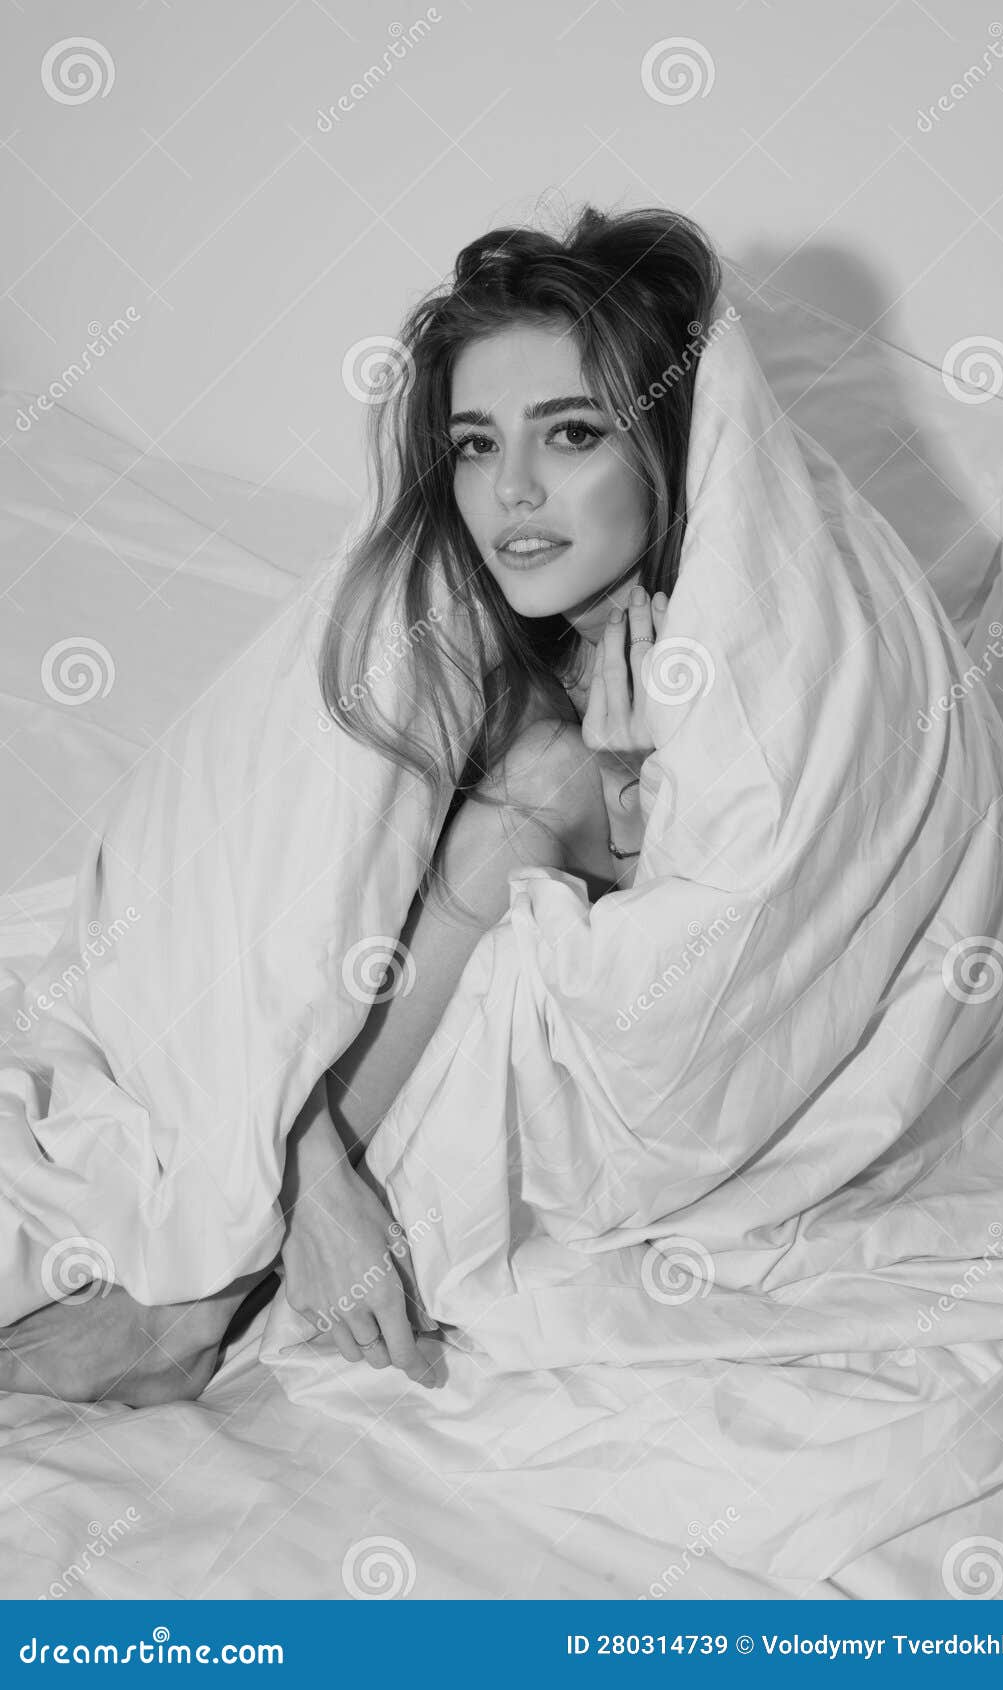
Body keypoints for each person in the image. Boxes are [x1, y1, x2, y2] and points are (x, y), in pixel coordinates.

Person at [0, 204, 722, 1404]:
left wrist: (633, 795)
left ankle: (181, 1310)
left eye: (574, 433)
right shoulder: (427, 591)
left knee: (530, 797)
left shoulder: (714, 643)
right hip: (194, 973)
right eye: (478, 444)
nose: (514, 493)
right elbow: (255, 867)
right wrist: (304, 1163)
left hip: (375, 977)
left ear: (666, 445)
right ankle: (189, 1302)